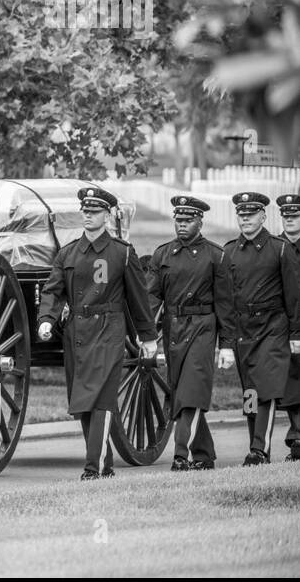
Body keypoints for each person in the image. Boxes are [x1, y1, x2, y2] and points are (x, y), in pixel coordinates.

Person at [36, 187, 158, 480]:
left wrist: (148, 337)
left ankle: (94, 468)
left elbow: (138, 299)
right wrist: (46, 318)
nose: (88, 216)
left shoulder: (122, 253)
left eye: (94, 211)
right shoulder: (67, 253)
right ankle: (105, 463)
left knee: (101, 399)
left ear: (107, 215)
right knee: (83, 401)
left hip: (109, 330)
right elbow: (52, 291)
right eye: (85, 211)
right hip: (77, 333)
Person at [215, 192, 300, 465]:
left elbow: (294, 296)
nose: (245, 219)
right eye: (241, 215)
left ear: (263, 216)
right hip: (244, 330)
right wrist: (226, 342)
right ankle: (255, 443)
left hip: (273, 327)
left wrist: (297, 334)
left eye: (251, 215)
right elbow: (225, 300)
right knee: (250, 391)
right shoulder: (229, 251)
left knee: (266, 388)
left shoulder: (280, 248)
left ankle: (260, 449)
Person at [147, 196, 222, 470]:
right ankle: (203, 454)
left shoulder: (215, 255)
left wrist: (226, 344)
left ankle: (180, 455)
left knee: (192, 391)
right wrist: (145, 332)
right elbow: (151, 297)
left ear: (200, 222)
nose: (182, 225)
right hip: (174, 328)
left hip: (203, 326)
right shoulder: (163, 254)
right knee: (183, 391)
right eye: (178, 220)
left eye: (188, 221)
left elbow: (225, 303)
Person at [277, 193, 300, 462]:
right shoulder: (275, 247)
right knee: (291, 381)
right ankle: (297, 435)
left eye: (294, 216)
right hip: (282, 323)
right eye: (286, 216)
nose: (289, 220)